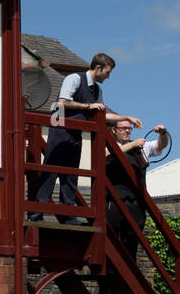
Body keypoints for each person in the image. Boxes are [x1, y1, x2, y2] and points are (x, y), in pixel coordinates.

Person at [32, 53, 140, 222]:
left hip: (76, 133)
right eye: (107, 72)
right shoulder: (74, 78)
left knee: (72, 174)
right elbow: (62, 102)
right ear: (98, 68)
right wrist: (88, 106)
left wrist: (126, 117)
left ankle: (66, 214)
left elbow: (102, 116)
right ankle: (37, 212)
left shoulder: (97, 89)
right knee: (51, 170)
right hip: (60, 129)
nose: (108, 76)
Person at [106, 119, 169, 260]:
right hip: (113, 203)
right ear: (114, 130)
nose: (127, 131)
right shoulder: (107, 145)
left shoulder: (140, 147)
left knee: (131, 245)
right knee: (110, 243)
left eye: (129, 128)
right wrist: (132, 144)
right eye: (123, 128)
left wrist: (163, 133)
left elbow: (161, 145)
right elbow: (107, 155)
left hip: (135, 204)